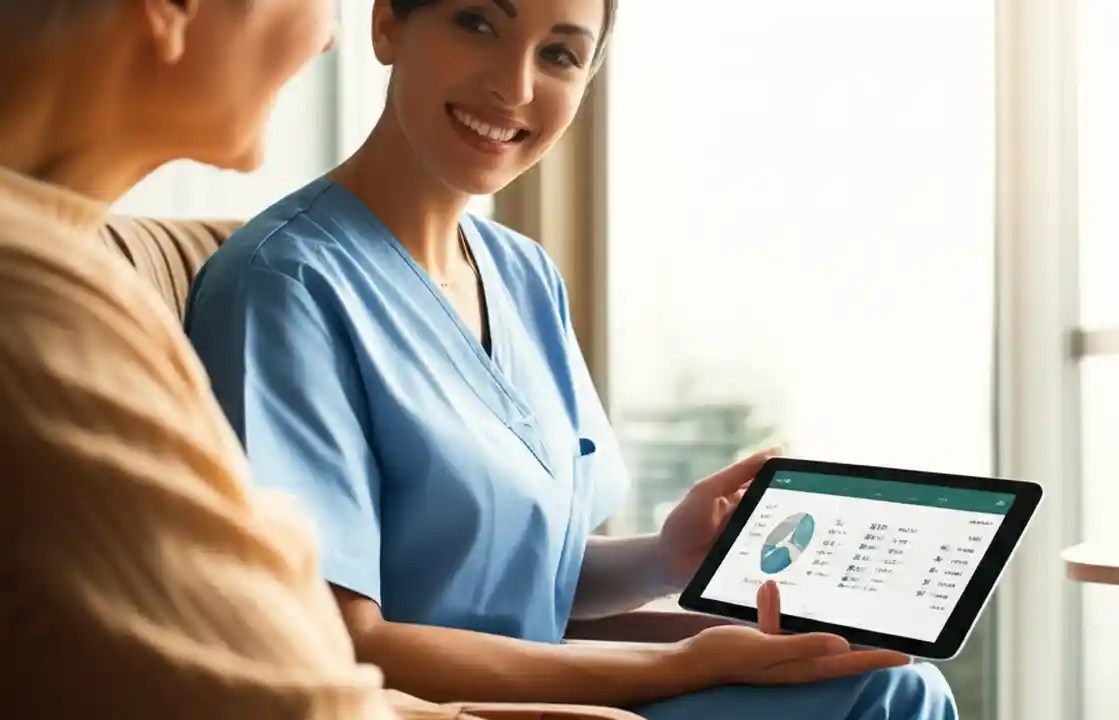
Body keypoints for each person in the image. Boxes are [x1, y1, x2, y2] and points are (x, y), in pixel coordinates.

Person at [185, 1, 959, 718]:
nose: (515, 88)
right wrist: (676, 664)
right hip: (436, 711)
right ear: (387, 23)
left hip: (555, 690)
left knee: (885, 672)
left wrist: (664, 559)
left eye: (559, 55)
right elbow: (334, 642)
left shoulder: (523, 275)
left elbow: (521, 577)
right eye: (478, 23)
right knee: (888, 695)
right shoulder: (283, 286)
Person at [0, 1, 607, 718]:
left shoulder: (77, 281)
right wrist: (667, 670)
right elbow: (294, 691)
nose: (327, 37)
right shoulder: (40, 307)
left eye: (560, 55)